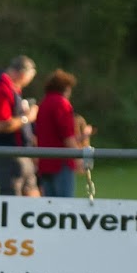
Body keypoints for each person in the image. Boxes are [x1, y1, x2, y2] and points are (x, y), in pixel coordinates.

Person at [31, 69, 93, 198]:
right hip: (61, 163)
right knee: (65, 203)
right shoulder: (62, 104)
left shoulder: (43, 104)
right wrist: (79, 159)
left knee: (50, 203)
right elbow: (67, 136)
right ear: (66, 88)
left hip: (45, 162)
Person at [0, 55, 39, 196]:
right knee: (11, 198)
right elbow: (0, 125)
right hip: (10, 154)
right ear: (23, 74)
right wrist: (28, 117)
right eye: (30, 77)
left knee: (32, 195)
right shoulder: (3, 90)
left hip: (20, 153)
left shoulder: (11, 89)